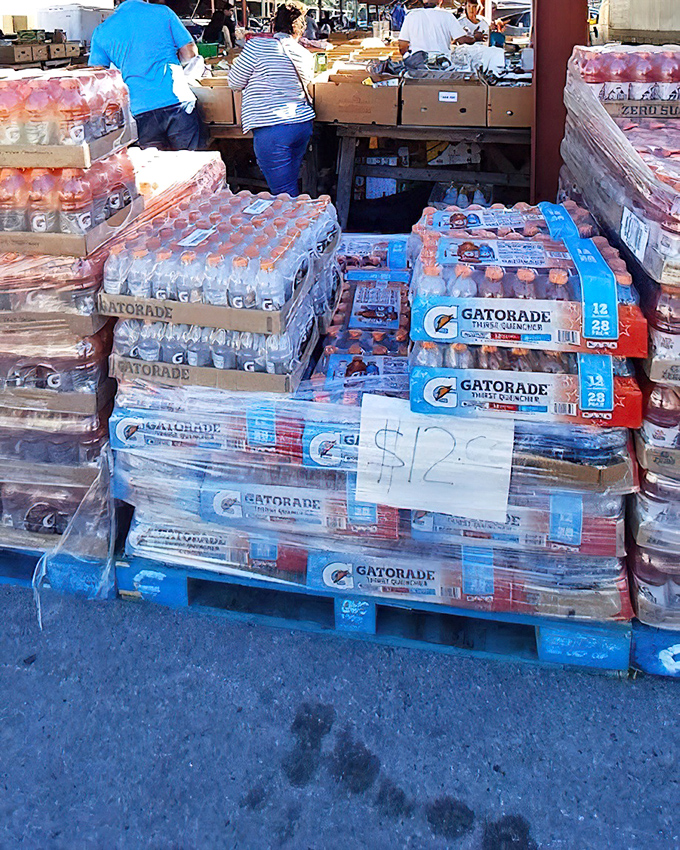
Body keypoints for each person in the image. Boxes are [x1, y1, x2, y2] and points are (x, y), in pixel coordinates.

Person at [89, 0, 205, 151]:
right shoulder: (163, 12)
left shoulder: (102, 30)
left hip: (139, 110)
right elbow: (190, 53)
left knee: (154, 168)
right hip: (177, 101)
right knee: (194, 166)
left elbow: (97, 76)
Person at [228, 1, 315, 196]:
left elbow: (234, 82)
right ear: (299, 30)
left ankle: (296, 225)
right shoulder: (304, 54)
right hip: (301, 124)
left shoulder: (256, 47)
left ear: (273, 26)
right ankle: (299, 221)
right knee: (289, 184)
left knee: (283, 192)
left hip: (273, 128)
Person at [398, 0, 474, 56]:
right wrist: (475, 38)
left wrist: (408, 58)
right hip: (443, 64)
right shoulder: (447, 15)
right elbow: (462, 40)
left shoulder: (411, 16)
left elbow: (402, 45)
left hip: (418, 64)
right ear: (440, 1)